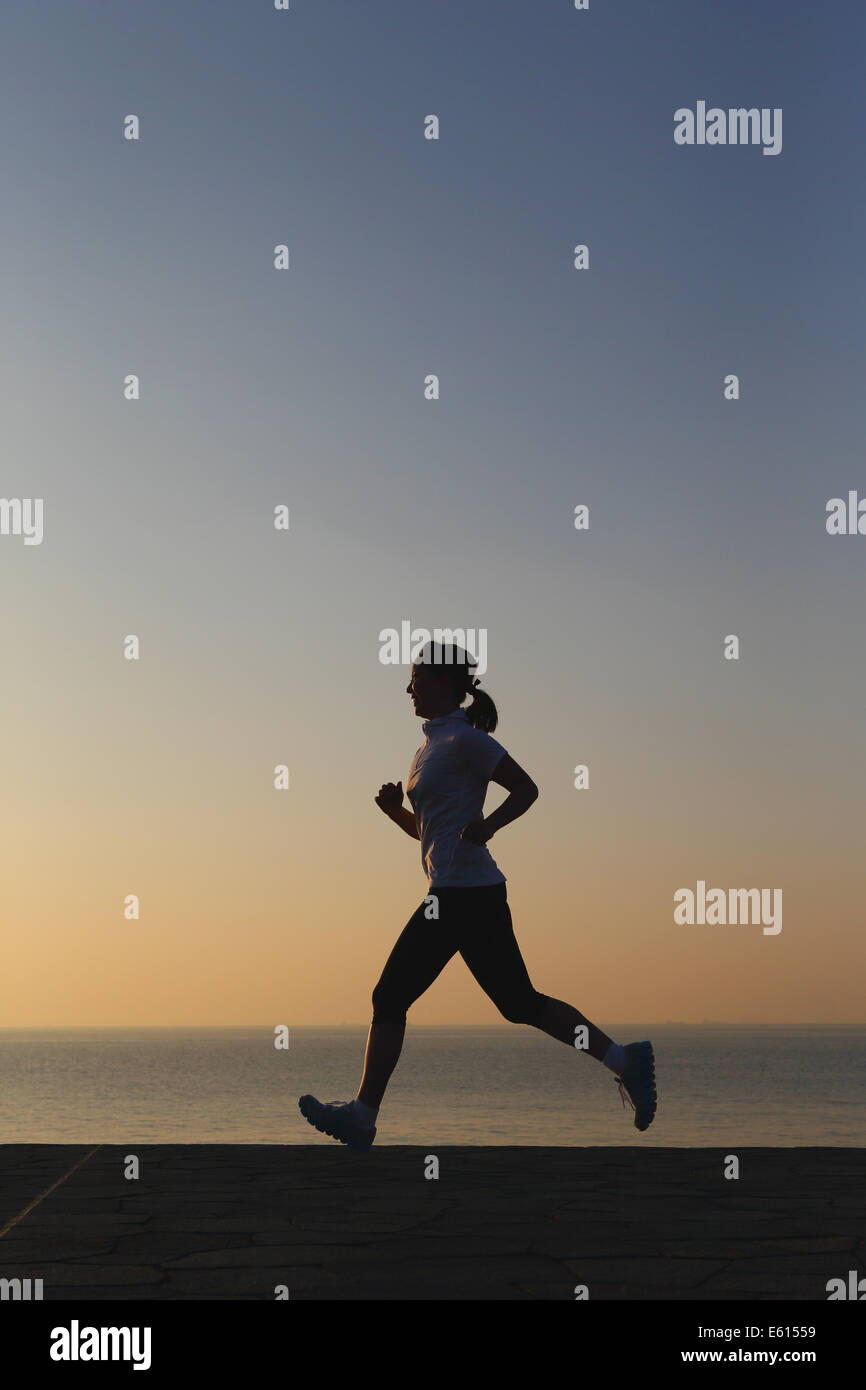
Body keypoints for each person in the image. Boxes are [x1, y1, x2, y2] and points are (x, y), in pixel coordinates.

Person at [299, 642, 656, 1150]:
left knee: (393, 995)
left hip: (466, 895)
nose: (409, 688)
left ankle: (362, 1117)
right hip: (458, 893)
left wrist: (488, 827)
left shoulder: (468, 741)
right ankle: (624, 1060)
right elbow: (428, 833)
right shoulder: (427, 748)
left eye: (416, 678)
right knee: (518, 1003)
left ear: (444, 683)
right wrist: (393, 812)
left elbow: (526, 789)